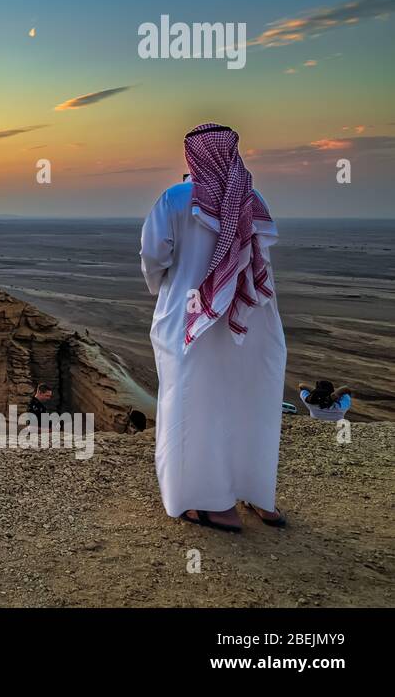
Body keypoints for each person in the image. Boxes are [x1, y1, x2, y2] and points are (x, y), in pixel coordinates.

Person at [140, 124, 287, 532]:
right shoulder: (251, 198)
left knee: (189, 403)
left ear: (192, 156)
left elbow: (153, 258)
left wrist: (165, 289)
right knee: (249, 402)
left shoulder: (175, 198)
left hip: (192, 320)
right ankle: (257, 495)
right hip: (249, 320)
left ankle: (203, 501)